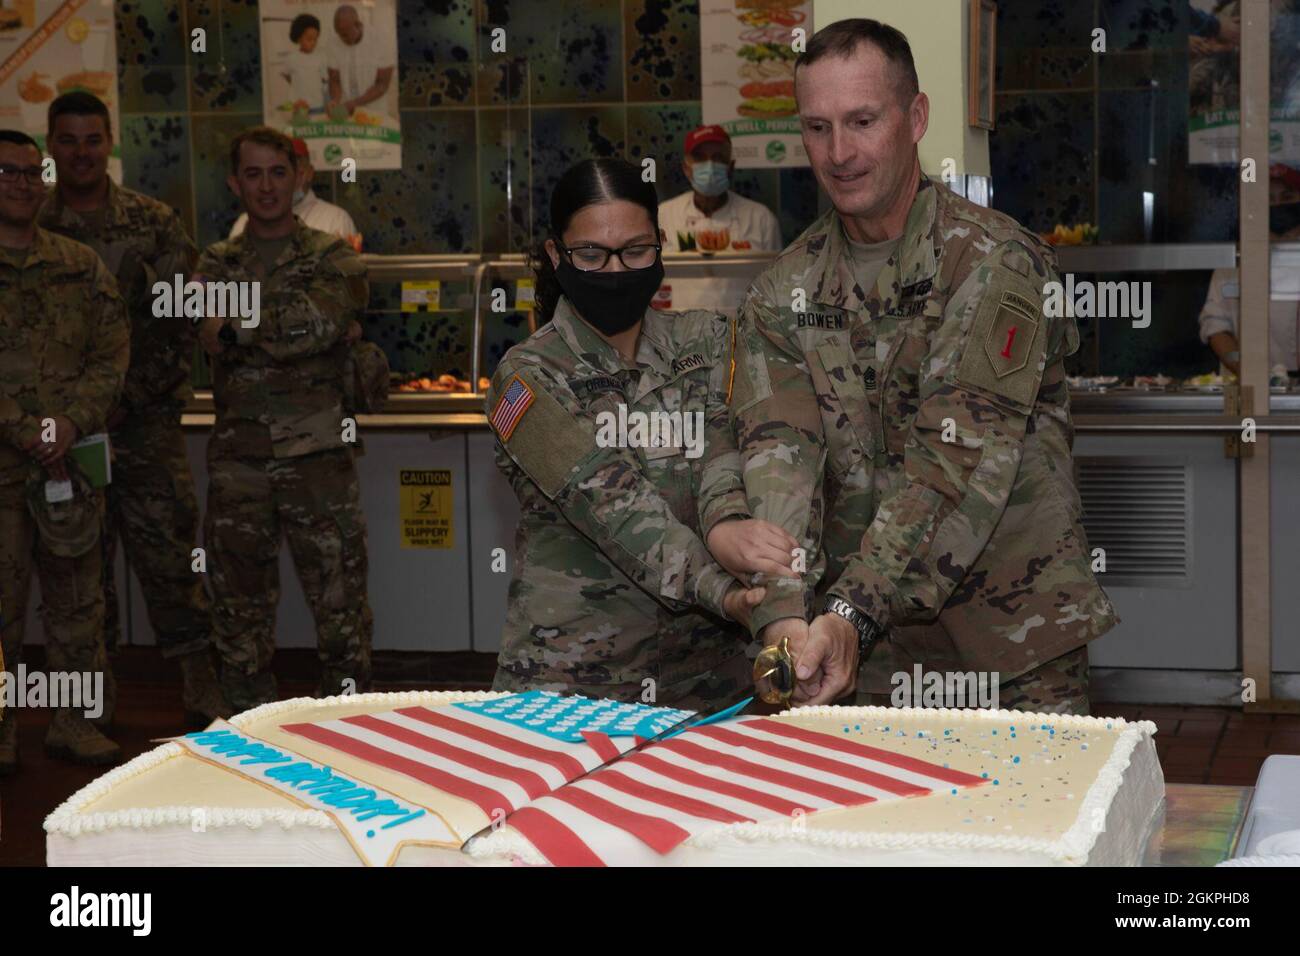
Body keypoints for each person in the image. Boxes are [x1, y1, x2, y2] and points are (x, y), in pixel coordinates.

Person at [725, 19, 1117, 714]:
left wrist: (850, 611)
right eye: (817, 128)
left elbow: (954, 461)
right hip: (867, 658)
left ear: (916, 119)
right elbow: (778, 460)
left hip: (1012, 647)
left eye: (862, 121)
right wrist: (785, 617)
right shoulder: (783, 290)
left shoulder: (995, 264)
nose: (839, 152)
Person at [486, 157, 797, 710]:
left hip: (709, 683)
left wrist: (727, 521)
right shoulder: (527, 378)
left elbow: (728, 444)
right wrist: (730, 596)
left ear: (660, 247)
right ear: (557, 256)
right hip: (574, 686)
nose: (614, 271)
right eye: (591, 255)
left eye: (635, 251)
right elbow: (616, 508)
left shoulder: (703, 339)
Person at [39, 92, 225, 729]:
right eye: (69, 140)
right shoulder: (33, 224)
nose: (82, 152)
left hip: (143, 429)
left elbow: (182, 322)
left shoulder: (153, 222)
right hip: (61, 439)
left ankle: (203, 692)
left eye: (94, 139)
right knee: (77, 573)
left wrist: (121, 402)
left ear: (110, 142)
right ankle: (89, 713)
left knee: (171, 562)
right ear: (51, 147)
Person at [195, 126, 372, 711]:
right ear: (234, 182)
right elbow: (204, 331)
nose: (266, 186)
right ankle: (248, 737)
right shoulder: (214, 260)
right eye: (252, 174)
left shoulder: (332, 253)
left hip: (318, 462)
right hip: (238, 464)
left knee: (340, 609)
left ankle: (346, 729)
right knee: (238, 613)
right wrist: (295, 327)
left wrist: (239, 325)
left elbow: (323, 318)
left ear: (298, 179)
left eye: (278, 173)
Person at [0, 129, 130, 770]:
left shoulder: (79, 264)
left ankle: (74, 723)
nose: (21, 183)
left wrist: (71, 422)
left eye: (31, 172)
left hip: (68, 466)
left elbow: (112, 352)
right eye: (7, 172)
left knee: (78, 603)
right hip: (5, 462)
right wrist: (23, 427)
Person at [655, 125, 782, 314]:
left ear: (730, 167)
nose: (709, 165)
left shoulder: (760, 218)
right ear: (686, 168)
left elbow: (775, 288)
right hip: (675, 335)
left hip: (741, 333)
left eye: (718, 158)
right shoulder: (663, 215)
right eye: (699, 158)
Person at [1198, 162, 1300, 378]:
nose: (1278, 206)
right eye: (1268, 199)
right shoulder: (1234, 262)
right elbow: (1216, 327)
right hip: (1246, 394)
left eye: (1287, 197)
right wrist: (1246, 370)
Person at [229, 137, 358, 244]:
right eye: (278, 173)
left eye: (298, 172)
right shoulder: (245, 222)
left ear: (308, 173)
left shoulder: (335, 220)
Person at [326, 5, 394, 119]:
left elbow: (382, 84)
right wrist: (335, 100)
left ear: (358, 25)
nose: (342, 39)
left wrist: (355, 103)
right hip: (345, 111)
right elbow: (334, 80)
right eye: (339, 34)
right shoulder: (332, 43)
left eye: (345, 35)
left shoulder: (380, 40)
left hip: (375, 112)